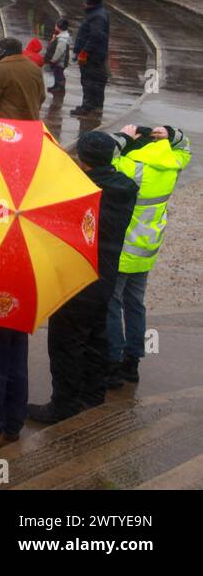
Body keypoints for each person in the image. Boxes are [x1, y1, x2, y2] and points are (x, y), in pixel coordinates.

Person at [27, 132, 137, 424]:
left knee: (66, 342)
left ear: (84, 161)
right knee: (95, 336)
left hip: (76, 276)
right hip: (106, 275)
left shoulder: (79, 191)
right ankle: (93, 393)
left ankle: (63, 405)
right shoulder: (125, 187)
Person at [106, 125, 192, 387]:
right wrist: (170, 132)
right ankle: (132, 363)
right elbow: (185, 147)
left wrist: (122, 136)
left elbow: (100, 154)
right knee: (135, 305)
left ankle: (112, 362)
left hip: (122, 251)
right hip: (147, 250)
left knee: (112, 305)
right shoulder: (171, 164)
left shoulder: (129, 166)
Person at [0, 37, 45, 120]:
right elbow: (41, 96)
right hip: (30, 121)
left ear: (3, 52)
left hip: (6, 122)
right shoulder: (36, 69)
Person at [71, 0, 109, 117]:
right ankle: (95, 106)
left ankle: (87, 107)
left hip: (92, 57)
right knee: (95, 81)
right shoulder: (98, 13)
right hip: (96, 55)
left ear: (91, 3)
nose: (83, 4)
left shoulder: (97, 17)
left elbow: (96, 36)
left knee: (89, 81)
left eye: (86, 2)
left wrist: (84, 51)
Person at [42, 19, 72, 94]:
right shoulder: (61, 36)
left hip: (60, 61)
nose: (55, 26)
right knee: (56, 73)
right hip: (59, 61)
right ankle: (56, 86)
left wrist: (54, 59)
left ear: (59, 27)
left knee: (59, 74)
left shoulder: (62, 38)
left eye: (56, 25)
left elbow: (60, 50)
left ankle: (59, 87)